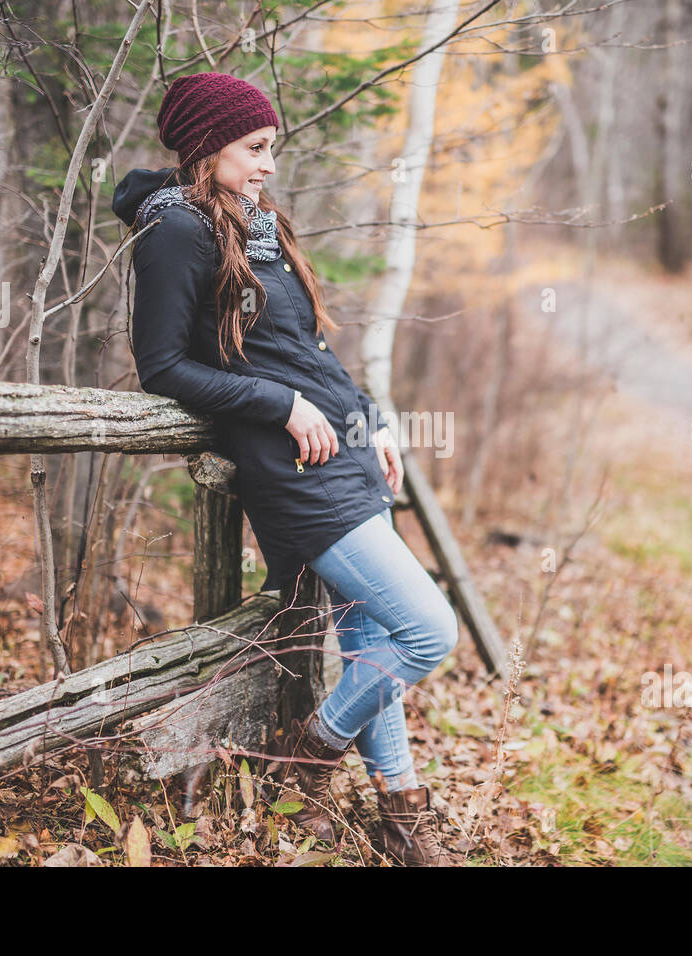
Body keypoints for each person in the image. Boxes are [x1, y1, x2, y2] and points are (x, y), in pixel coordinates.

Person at [111, 72, 459, 866]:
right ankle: (305, 757)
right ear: (209, 146)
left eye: (273, 149)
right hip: (291, 467)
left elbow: (307, 349)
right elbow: (161, 365)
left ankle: (403, 817)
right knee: (427, 630)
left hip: (339, 450)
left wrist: (370, 416)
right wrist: (278, 404)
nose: (269, 164)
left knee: (371, 632)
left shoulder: (257, 223)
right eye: (256, 148)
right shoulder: (176, 230)